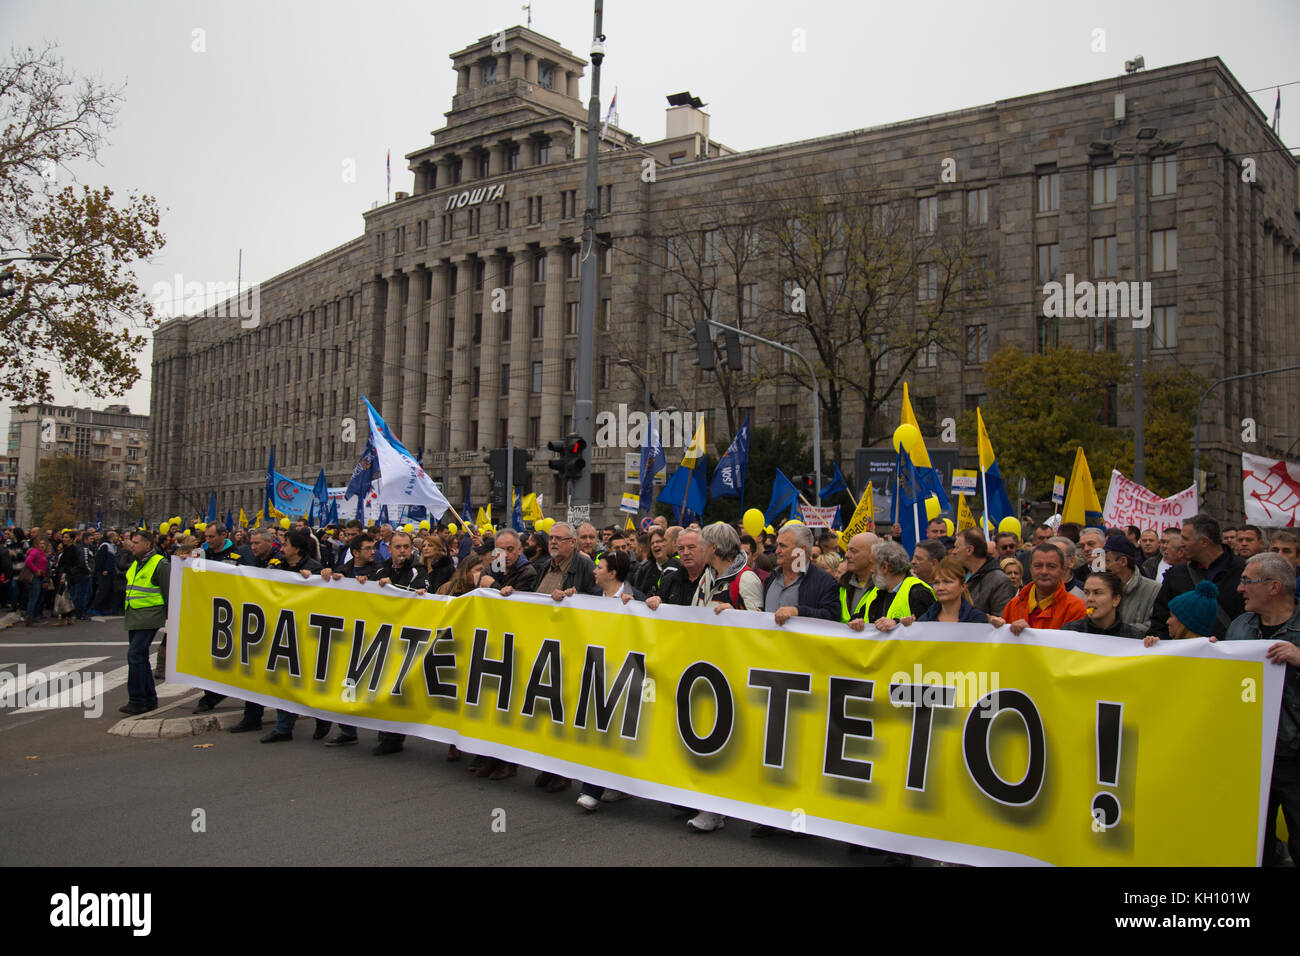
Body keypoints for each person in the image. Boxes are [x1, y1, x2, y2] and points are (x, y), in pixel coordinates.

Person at [1220, 552, 1300, 866]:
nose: (1239, 589)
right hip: (1252, 758)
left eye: (1246, 581)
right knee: (1254, 845)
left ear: (1274, 587)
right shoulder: (1241, 625)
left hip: (1294, 758)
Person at [575, 550, 643, 813]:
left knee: (614, 733)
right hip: (598, 673)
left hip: (625, 676)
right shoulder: (592, 598)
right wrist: (564, 599)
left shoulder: (635, 598)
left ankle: (602, 786)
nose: (594, 571)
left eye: (599, 567)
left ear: (613, 573)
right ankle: (593, 786)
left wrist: (650, 606)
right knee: (599, 731)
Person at [258, 529, 324, 743]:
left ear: (296, 548)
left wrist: (312, 580)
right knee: (284, 680)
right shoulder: (276, 565)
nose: (282, 548)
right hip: (283, 631)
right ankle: (283, 727)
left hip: (307, 632)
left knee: (312, 682)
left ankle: (322, 720)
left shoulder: (314, 568)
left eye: (285, 544)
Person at [1148, 515, 1245, 641]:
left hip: (1230, 657)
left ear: (1204, 542)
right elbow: (1160, 621)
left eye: (1185, 539)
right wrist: (1156, 642)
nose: (1180, 544)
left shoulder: (1243, 572)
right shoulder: (1176, 574)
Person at [119, 529, 169, 715]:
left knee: (135, 655)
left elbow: (168, 591)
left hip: (149, 616)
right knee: (139, 657)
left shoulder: (160, 564)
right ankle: (149, 699)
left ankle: (137, 700)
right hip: (135, 615)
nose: (132, 545)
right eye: (131, 541)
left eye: (136, 542)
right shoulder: (137, 562)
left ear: (147, 545)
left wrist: (170, 619)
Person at [990, 543, 1087, 635]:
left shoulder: (1076, 608)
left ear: (1062, 570)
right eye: (1038, 566)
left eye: (1051, 566)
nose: (1044, 571)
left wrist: (1030, 635)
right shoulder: (1013, 605)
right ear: (1030, 569)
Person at [763, 524, 840, 626]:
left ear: (801, 550)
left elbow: (832, 617)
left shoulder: (825, 582)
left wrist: (798, 611)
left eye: (783, 546)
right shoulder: (770, 579)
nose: (777, 551)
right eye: (777, 545)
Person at [890, 557, 988, 625]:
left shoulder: (979, 620)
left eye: (947, 582)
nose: (941, 587)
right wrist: (901, 626)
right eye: (936, 583)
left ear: (963, 586)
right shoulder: (924, 621)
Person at [863, 541, 936, 630]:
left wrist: (898, 623)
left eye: (872, 564)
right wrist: (857, 622)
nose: (870, 570)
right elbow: (860, 617)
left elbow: (928, 629)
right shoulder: (876, 592)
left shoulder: (919, 592)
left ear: (885, 567)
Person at [696, 522, 763, 611]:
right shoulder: (706, 577)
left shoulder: (747, 579)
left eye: (703, 545)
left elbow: (757, 622)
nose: (700, 549)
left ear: (714, 548)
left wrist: (735, 614)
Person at [1101, 536, 1159, 637]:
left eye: (1108, 561)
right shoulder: (1102, 588)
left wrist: (1117, 630)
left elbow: (1155, 626)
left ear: (1123, 561)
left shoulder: (1154, 589)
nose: (1104, 566)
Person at [952, 528, 1016, 616]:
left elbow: (1002, 620)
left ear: (970, 550)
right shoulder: (958, 575)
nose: (953, 552)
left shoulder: (999, 581)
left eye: (957, 547)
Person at [1062, 570, 1141, 638]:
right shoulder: (1069, 632)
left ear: (1116, 600)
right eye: (1086, 593)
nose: (1090, 598)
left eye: (1097, 593)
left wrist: (1150, 645)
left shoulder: (1134, 637)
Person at [1143, 581, 1218, 645]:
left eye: (1171, 616)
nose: (1167, 621)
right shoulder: (1164, 647)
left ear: (1185, 623)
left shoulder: (1211, 652)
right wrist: (1151, 646)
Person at [838, 532, 886, 627]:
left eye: (853, 551)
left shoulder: (887, 588)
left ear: (873, 554)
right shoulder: (840, 585)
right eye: (847, 550)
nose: (847, 555)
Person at [23, 537, 50, 626]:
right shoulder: (34, 552)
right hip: (35, 578)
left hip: (41, 577)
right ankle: (29, 617)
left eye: (44, 543)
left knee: (37, 598)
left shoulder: (42, 553)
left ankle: (34, 616)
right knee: (33, 598)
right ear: (36, 544)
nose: (42, 545)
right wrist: (36, 570)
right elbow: (28, 561)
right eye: (40, 543)